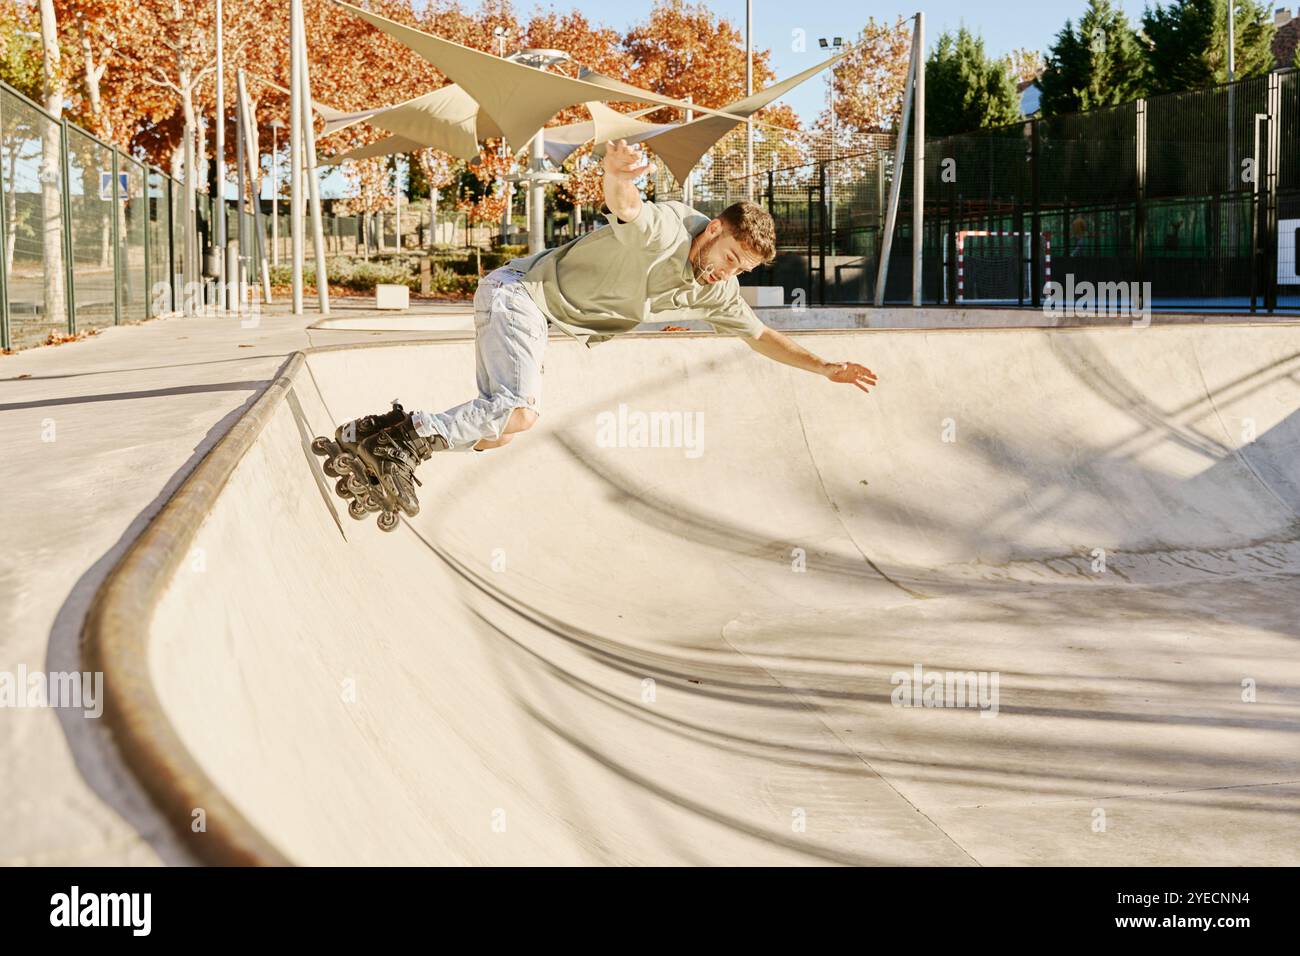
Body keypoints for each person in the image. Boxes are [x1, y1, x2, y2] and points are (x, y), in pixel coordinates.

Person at [316, 139, 878, 528]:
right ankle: (404, 441)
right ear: (713, 230)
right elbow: (627, 204)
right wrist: (616, 173)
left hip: (534, 311)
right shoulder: (664, 231)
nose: (727, 271)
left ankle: (381, 430)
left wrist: (824, 366)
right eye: (728, 256)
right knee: (519, 411)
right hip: (518, 295)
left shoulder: (715, 288)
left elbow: (759, 336)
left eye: (740, 269)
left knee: (498, 432)